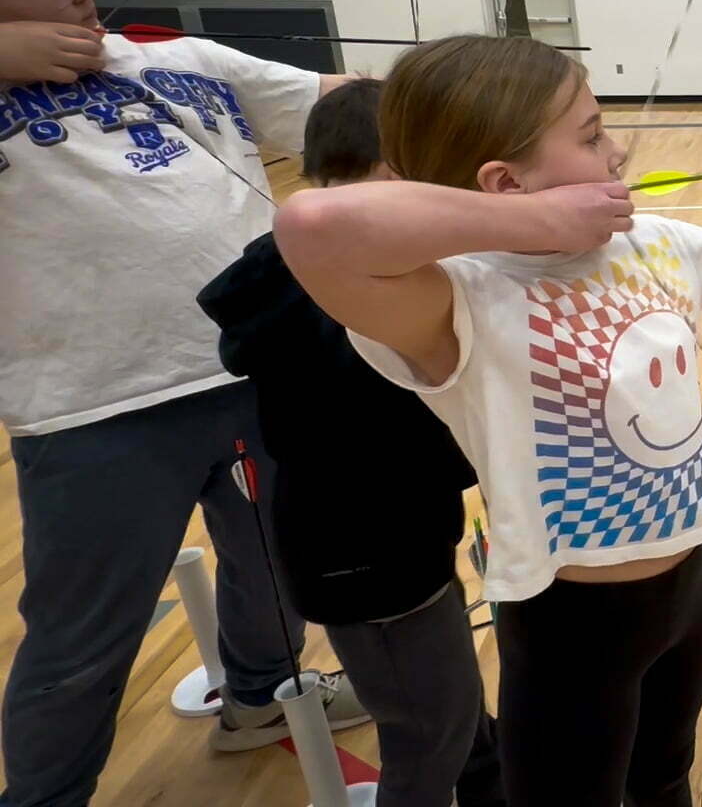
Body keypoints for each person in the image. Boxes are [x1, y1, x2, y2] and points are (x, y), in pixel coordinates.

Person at [273, 34, 702, 807]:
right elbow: (311, 225)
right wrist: (535, 225)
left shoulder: (648, 242)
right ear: (504, 181)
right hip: (572, 624)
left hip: (688, 587)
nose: (616, 151)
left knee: (664, 776)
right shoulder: (457, 299)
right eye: (590, 136)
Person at [0, 0, 365, 806]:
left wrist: (486, 89)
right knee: (80, 640)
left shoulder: (181, 62)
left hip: (260, 371)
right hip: (97, 410)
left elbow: (337, 107)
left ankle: (257, 699)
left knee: (275, 566)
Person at [197, 79, 506, 806]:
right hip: (366, 557)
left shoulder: (305, 269)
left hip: (395, 539)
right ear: (394, 171)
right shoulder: (326, 298)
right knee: (429, 726)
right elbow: (391, 411)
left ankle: (488, 776)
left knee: (448, 695)